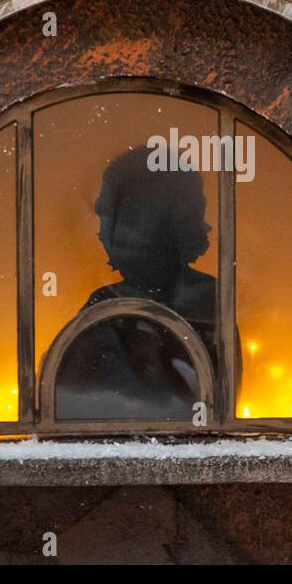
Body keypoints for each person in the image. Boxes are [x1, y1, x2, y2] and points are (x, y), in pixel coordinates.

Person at [53, 146, 218, 420]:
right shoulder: (104, 305)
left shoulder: (208, 300)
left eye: (130, 218)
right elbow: (71, 390)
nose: (106, 234)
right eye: (111, 218)